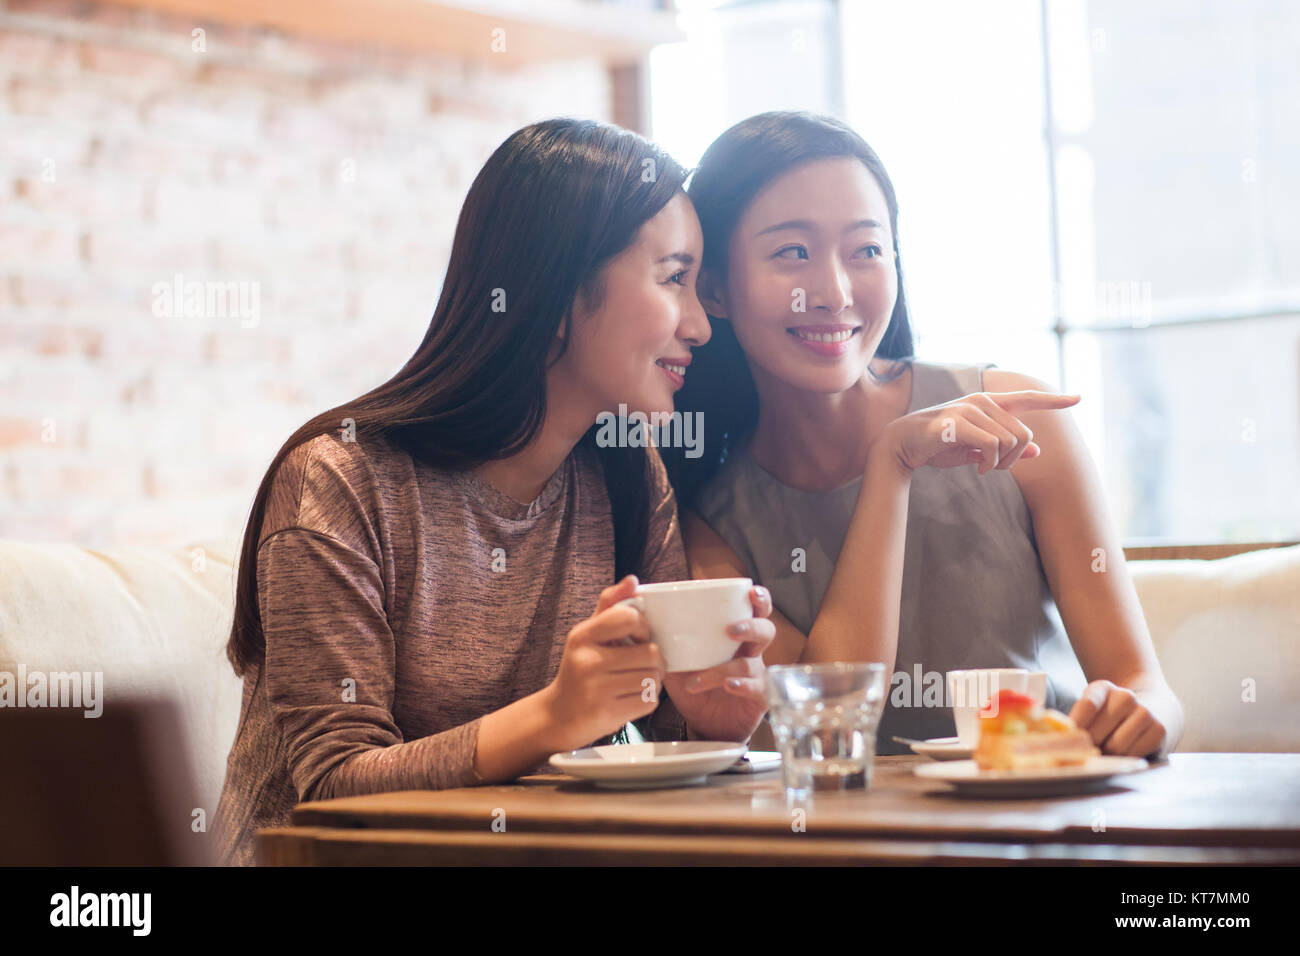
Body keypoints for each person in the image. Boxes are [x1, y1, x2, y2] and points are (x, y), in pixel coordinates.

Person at [212, 119, 775, 866]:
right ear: (559, 287)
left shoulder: (627, 473)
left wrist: (706, 724)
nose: (701, 325)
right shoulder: (341, 480)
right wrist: (554, 716)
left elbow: (645, 761)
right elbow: (333, 786)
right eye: (674, 277)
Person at [664, 111, 1183, 758]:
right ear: (713, 289)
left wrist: (1143, 713)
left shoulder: (1017, 419)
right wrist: (892, 465)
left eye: (867, 251)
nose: (833, 290)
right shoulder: (713, 524)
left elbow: (1144, 684)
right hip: (863, 849)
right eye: (792, 253)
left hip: (1047, 817)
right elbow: (826, 733)